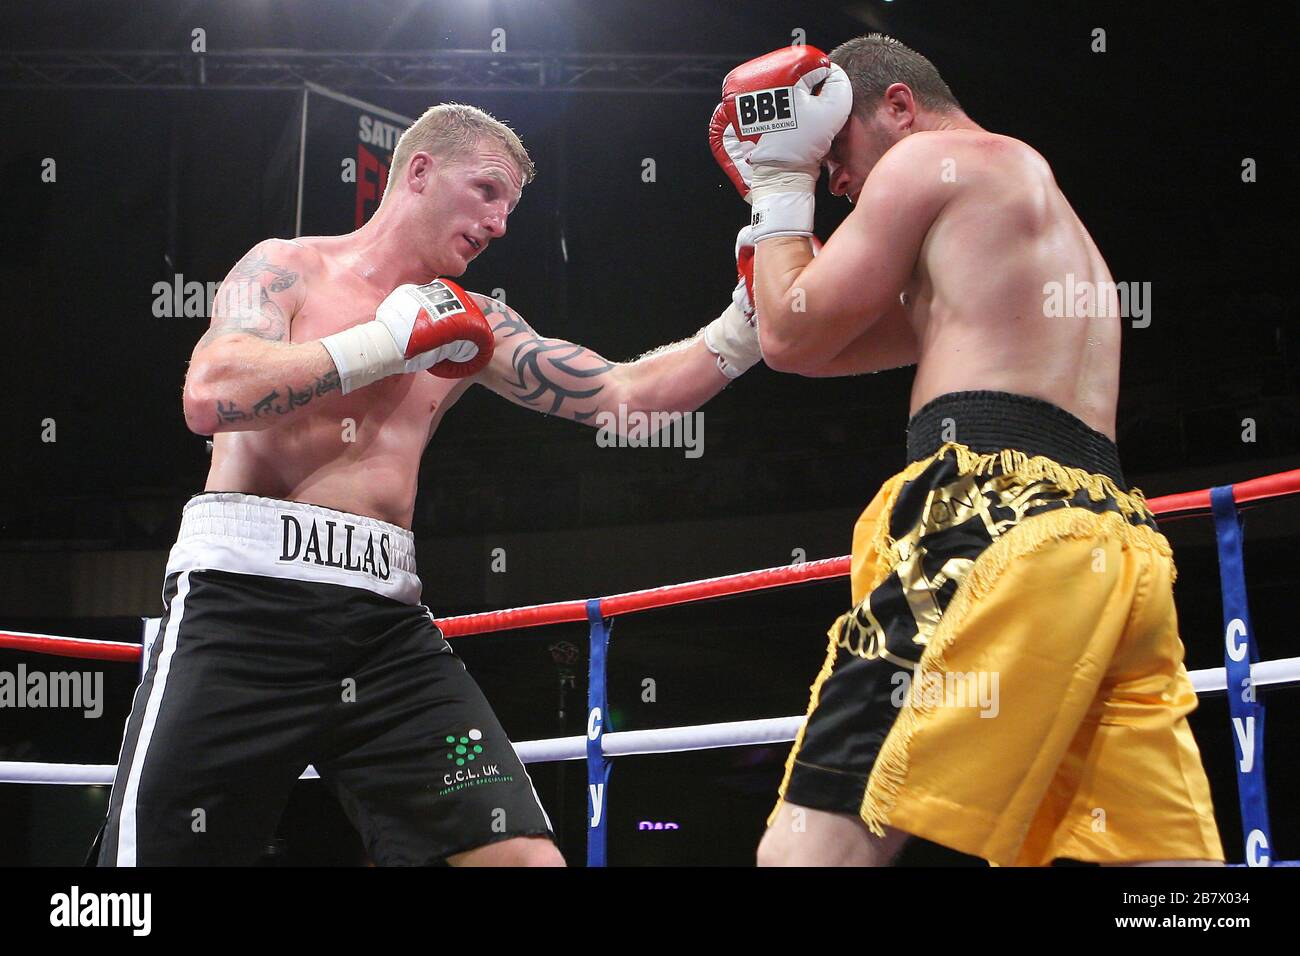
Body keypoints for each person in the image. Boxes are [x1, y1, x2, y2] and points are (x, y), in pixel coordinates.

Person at [94, 102, 759, 866]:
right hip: (243, 608)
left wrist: (743, 328)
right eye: (486, 191)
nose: (500, 222)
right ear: (418, 173)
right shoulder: (288, 267)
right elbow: (211, 394)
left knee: (522, 860)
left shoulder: (475, 324)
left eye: (510, 207)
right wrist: (382, 344)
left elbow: (623, 397)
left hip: (383, 631)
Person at [710, 38, 1224, 866]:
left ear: (899, 107)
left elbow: (792, 329)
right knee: (1155, 874)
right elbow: (800, 341)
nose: (835, 178)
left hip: (989, 521)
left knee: (813, 842)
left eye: (835, 148)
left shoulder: (931, 162)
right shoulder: (1026, 220)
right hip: (1112, 545)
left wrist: (776, 186)